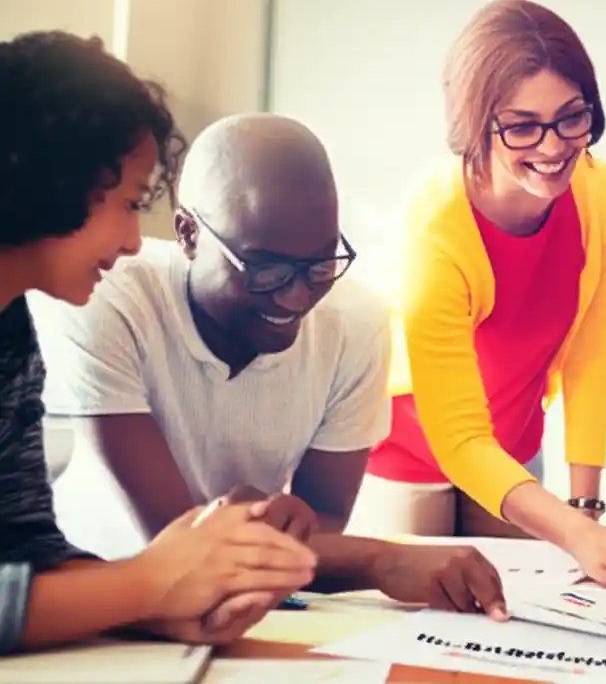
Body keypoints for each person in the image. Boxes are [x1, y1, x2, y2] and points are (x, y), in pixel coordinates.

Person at [35, 112, 507, 619]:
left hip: (242, 614)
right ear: (189, 234)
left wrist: (290, 529)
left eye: (322, 263)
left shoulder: (353, 324)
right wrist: (379, 560)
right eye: (266, 268)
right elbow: (179, 543)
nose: (298, 294)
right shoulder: (108, 296)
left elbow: (322, 522)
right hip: (93, 608)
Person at [0, 31, 316, 652]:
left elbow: (24, 547)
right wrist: (144, 587)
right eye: (126, 204)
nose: (130, 242)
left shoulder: (13, 331)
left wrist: (162, 607)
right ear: (48, 184)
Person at [347, 0, 606, 589]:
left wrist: (587, 510)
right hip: (411, 447)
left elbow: (591, 359)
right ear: (474, 124)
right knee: (427, 619)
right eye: (521, 126)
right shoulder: (435, 225)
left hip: (512, 440)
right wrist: (577, 534)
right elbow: (460, 438)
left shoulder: (600, 193)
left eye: (572, 117)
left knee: (527, 613)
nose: (553, 146)